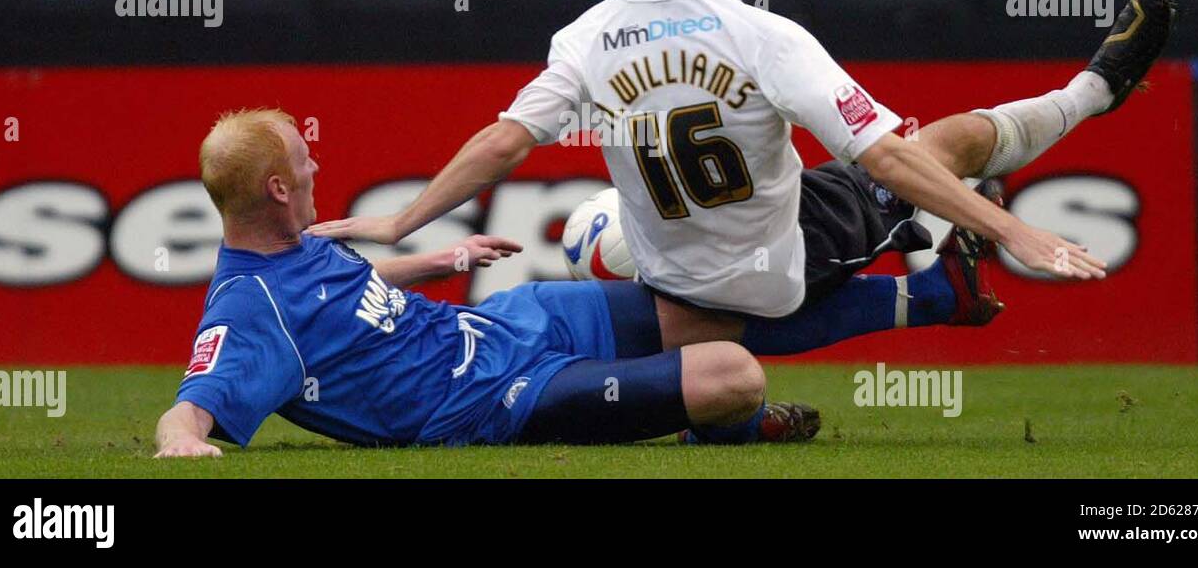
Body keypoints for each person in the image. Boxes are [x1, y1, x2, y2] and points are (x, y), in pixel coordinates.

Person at [309, 0, 1171, 352]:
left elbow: (503, 141)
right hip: (771, 262)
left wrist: (402, 221)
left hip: (662, 269)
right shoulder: (765, 35)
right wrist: (1014, 229)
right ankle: (1090, 91)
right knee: (939, 143)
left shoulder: (586, 34)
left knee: (581, 232)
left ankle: (728, 363)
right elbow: (885, 154)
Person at [154, 108, 826, 457]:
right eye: (304, 159)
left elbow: (351, 292)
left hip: (513, 319)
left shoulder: (298, 245)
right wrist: (179, 437)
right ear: (277, 187)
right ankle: (714, 425)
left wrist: (445, 258)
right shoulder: (249, 305)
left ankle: (930, 299)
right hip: (498, 398)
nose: (315, 163)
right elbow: (195, 397)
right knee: (736, 375)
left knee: (722, 310)